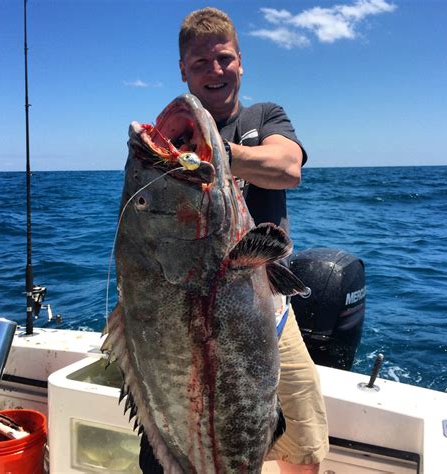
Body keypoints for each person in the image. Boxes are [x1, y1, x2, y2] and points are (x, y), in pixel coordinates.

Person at [140, 7, 329, 474]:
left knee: (305, 447)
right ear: (183, 70)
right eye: (200, 63)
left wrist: (213, 156)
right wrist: (181, 159)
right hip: (189, 320)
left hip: (270, 316)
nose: (215, 71)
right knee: (171, 446)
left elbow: (288, 169)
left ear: (241, 62)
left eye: (223, 58)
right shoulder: (170, 141)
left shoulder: (265, 117)